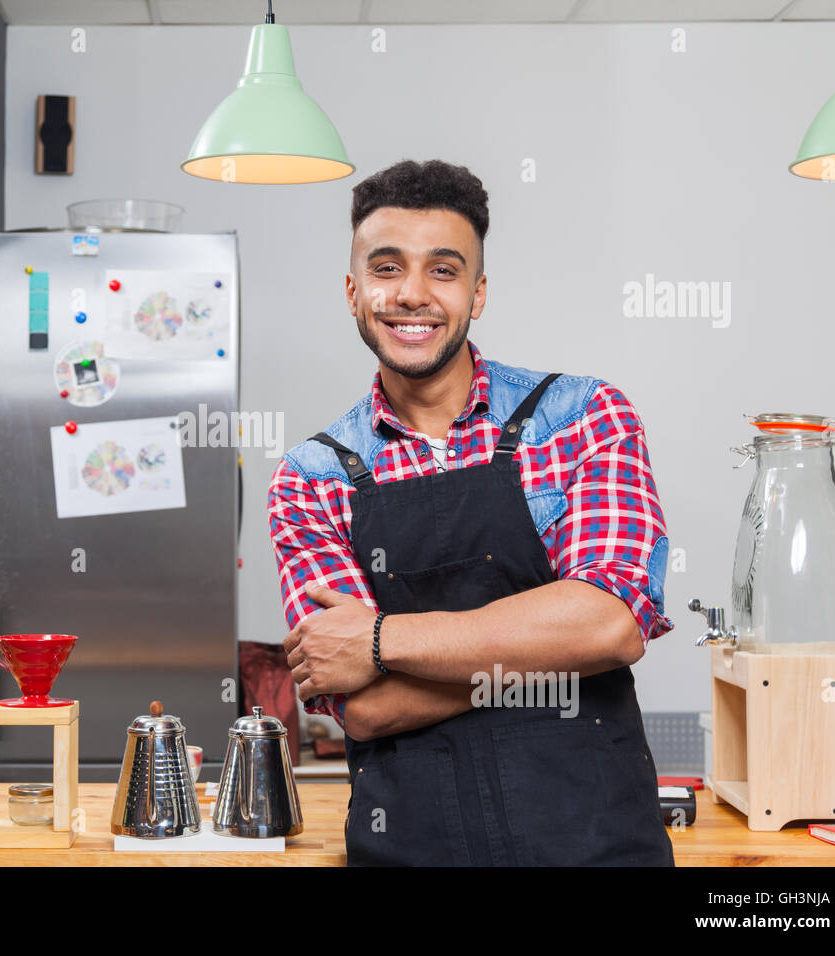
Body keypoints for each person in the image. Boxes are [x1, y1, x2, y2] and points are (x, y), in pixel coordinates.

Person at [270, 159, 675, 866]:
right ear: (353, 291)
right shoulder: (311, 477)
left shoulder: (581, 415)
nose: (413, 295)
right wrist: (551, 649)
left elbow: (610, 625)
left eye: (444, 271)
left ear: (478, 292)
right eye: (387, 268)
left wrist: (376, 641)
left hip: (599, 848)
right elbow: (362, 709)